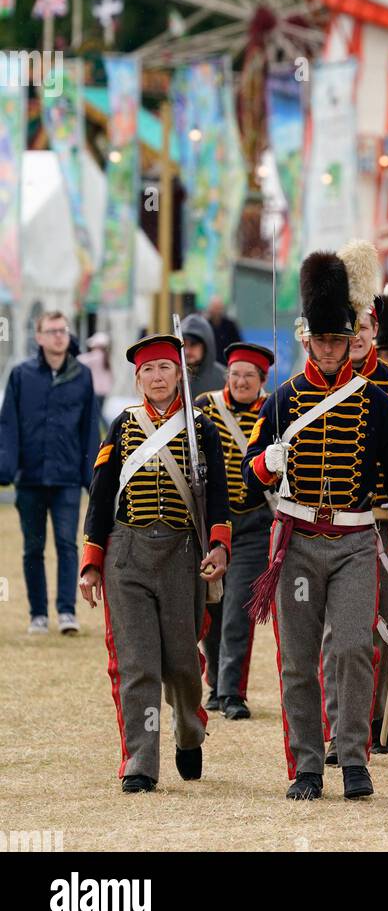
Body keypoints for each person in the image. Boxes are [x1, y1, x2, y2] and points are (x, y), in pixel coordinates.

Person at [243, 244, 388, 803]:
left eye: (337, 340)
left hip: (353, 541)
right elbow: (248, 476)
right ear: (306, 341)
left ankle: (354, 757)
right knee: (298, 661)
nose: (328, 348)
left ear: (349, 341)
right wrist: (266, 465)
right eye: (320, 340)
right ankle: (307, 766)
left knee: (352, 649)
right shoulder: (281, 401)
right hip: (296, 540)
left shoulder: (376, 403)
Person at [78, 333, 230, 792]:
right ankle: (140, 762)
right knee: (137, 664)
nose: (157, 376)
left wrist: (219, 545)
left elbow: (218, 494)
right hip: (127, 554)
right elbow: (102, 492)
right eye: (148, 369)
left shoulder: (201, 427)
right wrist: (92, 559)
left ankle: (189, 730)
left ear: (178, 374)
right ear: (137, 378)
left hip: (182, 555)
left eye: (165, 367)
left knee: (182, 662)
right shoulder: (123, 425)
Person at [323, 272, 388, 760]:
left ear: (376, 330)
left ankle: (375, 719)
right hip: (336, 523)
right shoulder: (318, 386)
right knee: (336, 633)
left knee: (385, 627)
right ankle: (336, 723)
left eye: (365, 326)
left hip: (385, 519)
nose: (358, 335)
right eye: (351, 327)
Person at [0, 311, 100, 635]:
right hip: (29, 478)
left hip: (67, 478)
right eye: (52, 330)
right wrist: (6, 468)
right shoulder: (21, 375)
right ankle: (38, 615)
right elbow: (8, 424)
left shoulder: (82, 376)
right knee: (33, 548)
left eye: (63, 330)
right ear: (39, 337)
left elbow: (89, 430)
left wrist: (92, 478)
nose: (59, 336)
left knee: (67, 545)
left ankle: (67, 612)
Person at [195, 341, 275, 719]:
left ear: (262, 379)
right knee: (212, 604)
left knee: (238, 608)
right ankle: (214, 682)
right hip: (213, 524)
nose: (241, 381)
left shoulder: (273, 410)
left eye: (249, 376)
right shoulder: (206, 406)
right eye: (235, 374)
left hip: (254, 523)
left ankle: (231, 693)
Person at [180, 311, 228, 704]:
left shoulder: (223, 379)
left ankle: (222, 679)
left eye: (195, 344)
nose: (190, 351)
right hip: (183, 503)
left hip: (218, 496)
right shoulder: (171, 381)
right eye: (185, 344)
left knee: (220, 599)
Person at [78, 331, 114, 413]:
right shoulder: (105, 356)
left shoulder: (96, 355)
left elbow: (80, 360)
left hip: (96, 390)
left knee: (95, 412)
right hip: (103, 390)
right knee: (98, 411)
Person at [205, 296, 242, 365]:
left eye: (219, 308)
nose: (217, 311)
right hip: (209, 363)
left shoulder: (230, 325)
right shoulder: (205, 324)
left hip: (226, 363)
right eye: (215, 308)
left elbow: (238, 345)